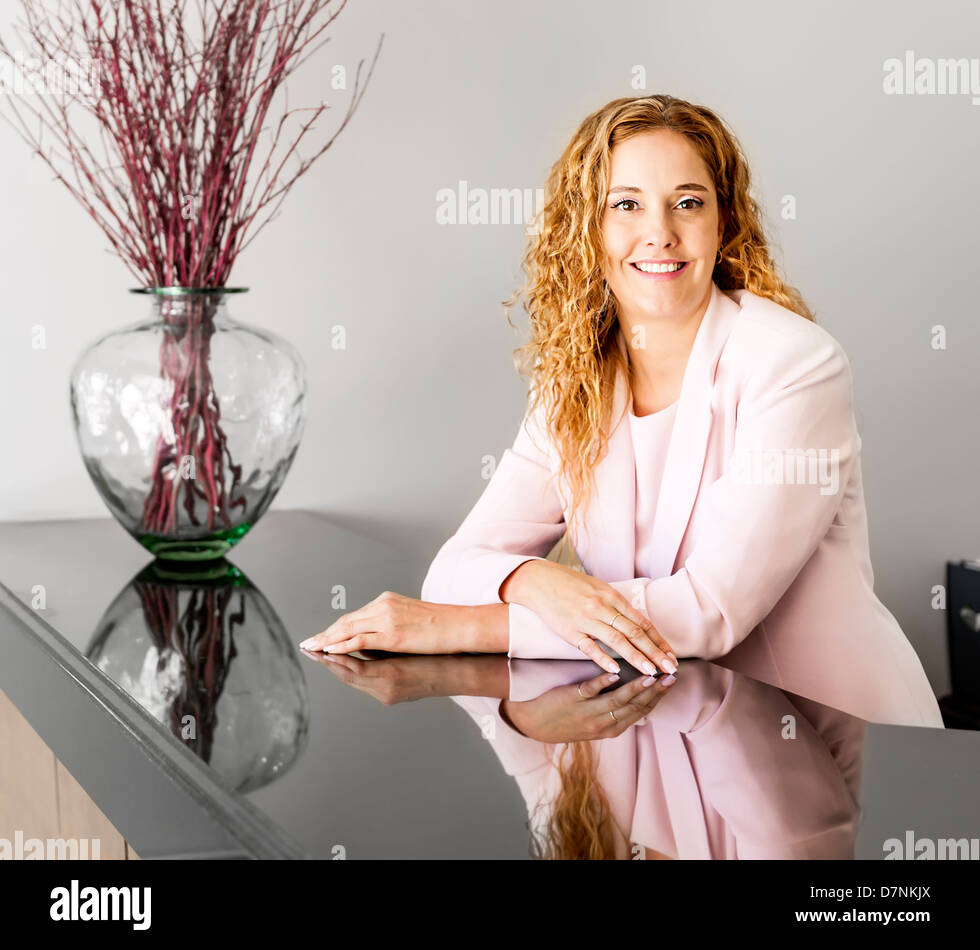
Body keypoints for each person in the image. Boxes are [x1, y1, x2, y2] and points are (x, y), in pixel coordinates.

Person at [299, 94, 943, 728]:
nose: (659, 233)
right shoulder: (576, 378)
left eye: (687, 203)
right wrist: (536, 580)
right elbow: (454, 569)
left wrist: (459, 627)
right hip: (667, 726)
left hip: (815, 740)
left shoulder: (795, 364)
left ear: (725, 222)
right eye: (626, 205)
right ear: (589, 228)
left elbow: (709, 611)